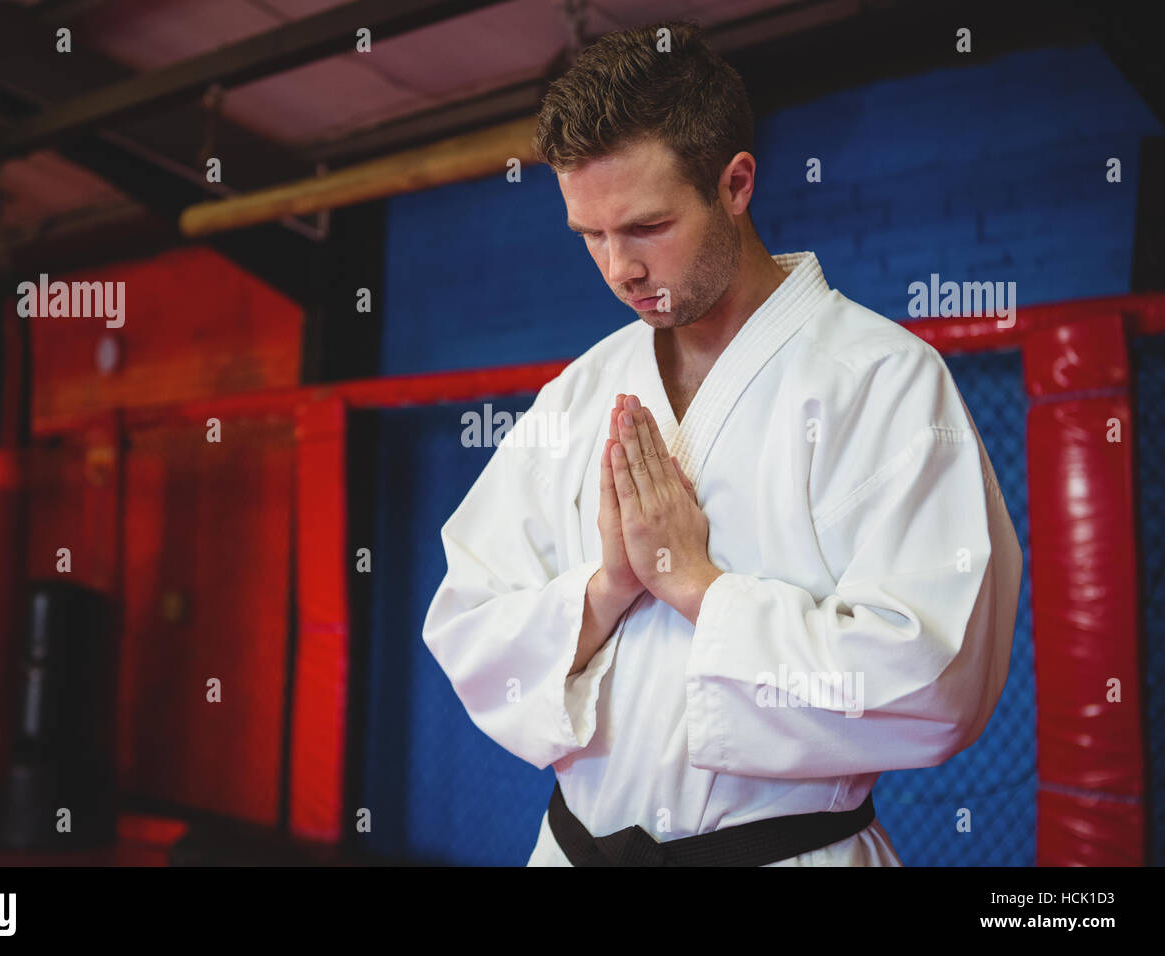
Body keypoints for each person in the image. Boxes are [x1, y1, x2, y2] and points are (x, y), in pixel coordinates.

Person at [421, 21, 1022, 866]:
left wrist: (696, 586)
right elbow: (467, 625)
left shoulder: (883, 381)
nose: (616, 268)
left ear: (735, 183)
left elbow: (936, 679)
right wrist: (608, 588)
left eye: (645, 227)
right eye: (588, 235)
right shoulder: (580, 393)